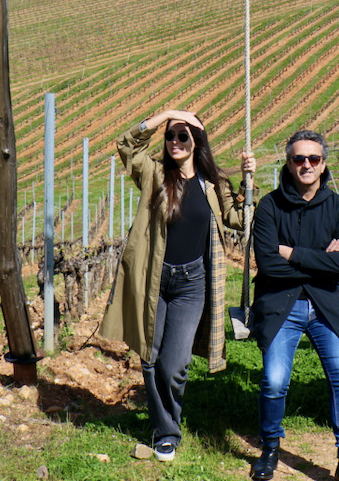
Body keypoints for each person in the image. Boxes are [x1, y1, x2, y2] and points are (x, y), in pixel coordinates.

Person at [99, 108, 256, 462]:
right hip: (155, 280)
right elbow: (127, 146)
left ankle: (168, 420)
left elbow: (238, 219)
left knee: (175, 364)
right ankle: (166, 431)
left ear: (196, 140)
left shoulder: (212, 184)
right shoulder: (155, 175)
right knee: (149, 358)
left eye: (183, 135)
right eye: (170, 136)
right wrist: (166, 115)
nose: (174, 142)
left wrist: (249, 181)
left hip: (192, 283)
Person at [249, 130, 339, 481]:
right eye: (299, 158)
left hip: (327, 305)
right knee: (273, 380)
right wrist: (318, 260)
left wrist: (293, 253)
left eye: (313, 159)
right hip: (281, 304)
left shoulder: (338, 206)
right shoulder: (270, 205)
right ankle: (270, 447)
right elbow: (268, 264)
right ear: (288, 162)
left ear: (323, 164)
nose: (306, 165)